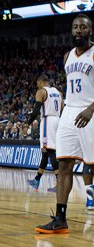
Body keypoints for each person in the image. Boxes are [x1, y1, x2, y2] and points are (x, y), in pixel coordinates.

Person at [36, 14, 94, 234]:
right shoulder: (68, 56)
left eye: (83, 27)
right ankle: (60, 218)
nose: (78, 30)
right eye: (75, 27)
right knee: (64, 165)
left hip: (90, 111)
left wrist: (90, 109)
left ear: (90, 31)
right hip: (70, 111)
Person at [27, 74, 63, 193]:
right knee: (46, 152)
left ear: (41, 82)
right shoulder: (58, 92)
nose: (37, 87)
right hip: (58, 120)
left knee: (51, 150)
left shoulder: (41, 92)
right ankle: (37, 180)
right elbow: (62, 109)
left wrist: (28, 122)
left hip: (48, 121)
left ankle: (60, 183)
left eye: (38, 84)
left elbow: (36, 110)